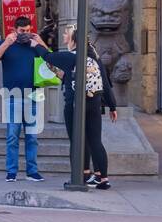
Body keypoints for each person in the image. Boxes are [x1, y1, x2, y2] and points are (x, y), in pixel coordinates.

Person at [45, 26, 118, 189]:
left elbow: (47, 56)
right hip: (94, 102)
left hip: (77, 104)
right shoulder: (94, 57)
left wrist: (38, 44)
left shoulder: (73, 56)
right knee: (95, 141)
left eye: (67, 33)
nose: (64, 35)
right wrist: (112, 106)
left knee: (78, 141)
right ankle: (101, 178)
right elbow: (104, 83)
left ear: (74, 39)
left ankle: (80, 176)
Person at [0, 15, 48, 183]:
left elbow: (52, 61)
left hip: (34, 96)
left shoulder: (35, 45)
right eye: (22, 31)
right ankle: (11, 171)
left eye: (28, 31)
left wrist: (40, 42)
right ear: (15, 30)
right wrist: (7, 43)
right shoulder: (7, 45)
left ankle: (32, 171)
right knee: (12, 135)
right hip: (13, 97)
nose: (25, 34)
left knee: (32, 137)